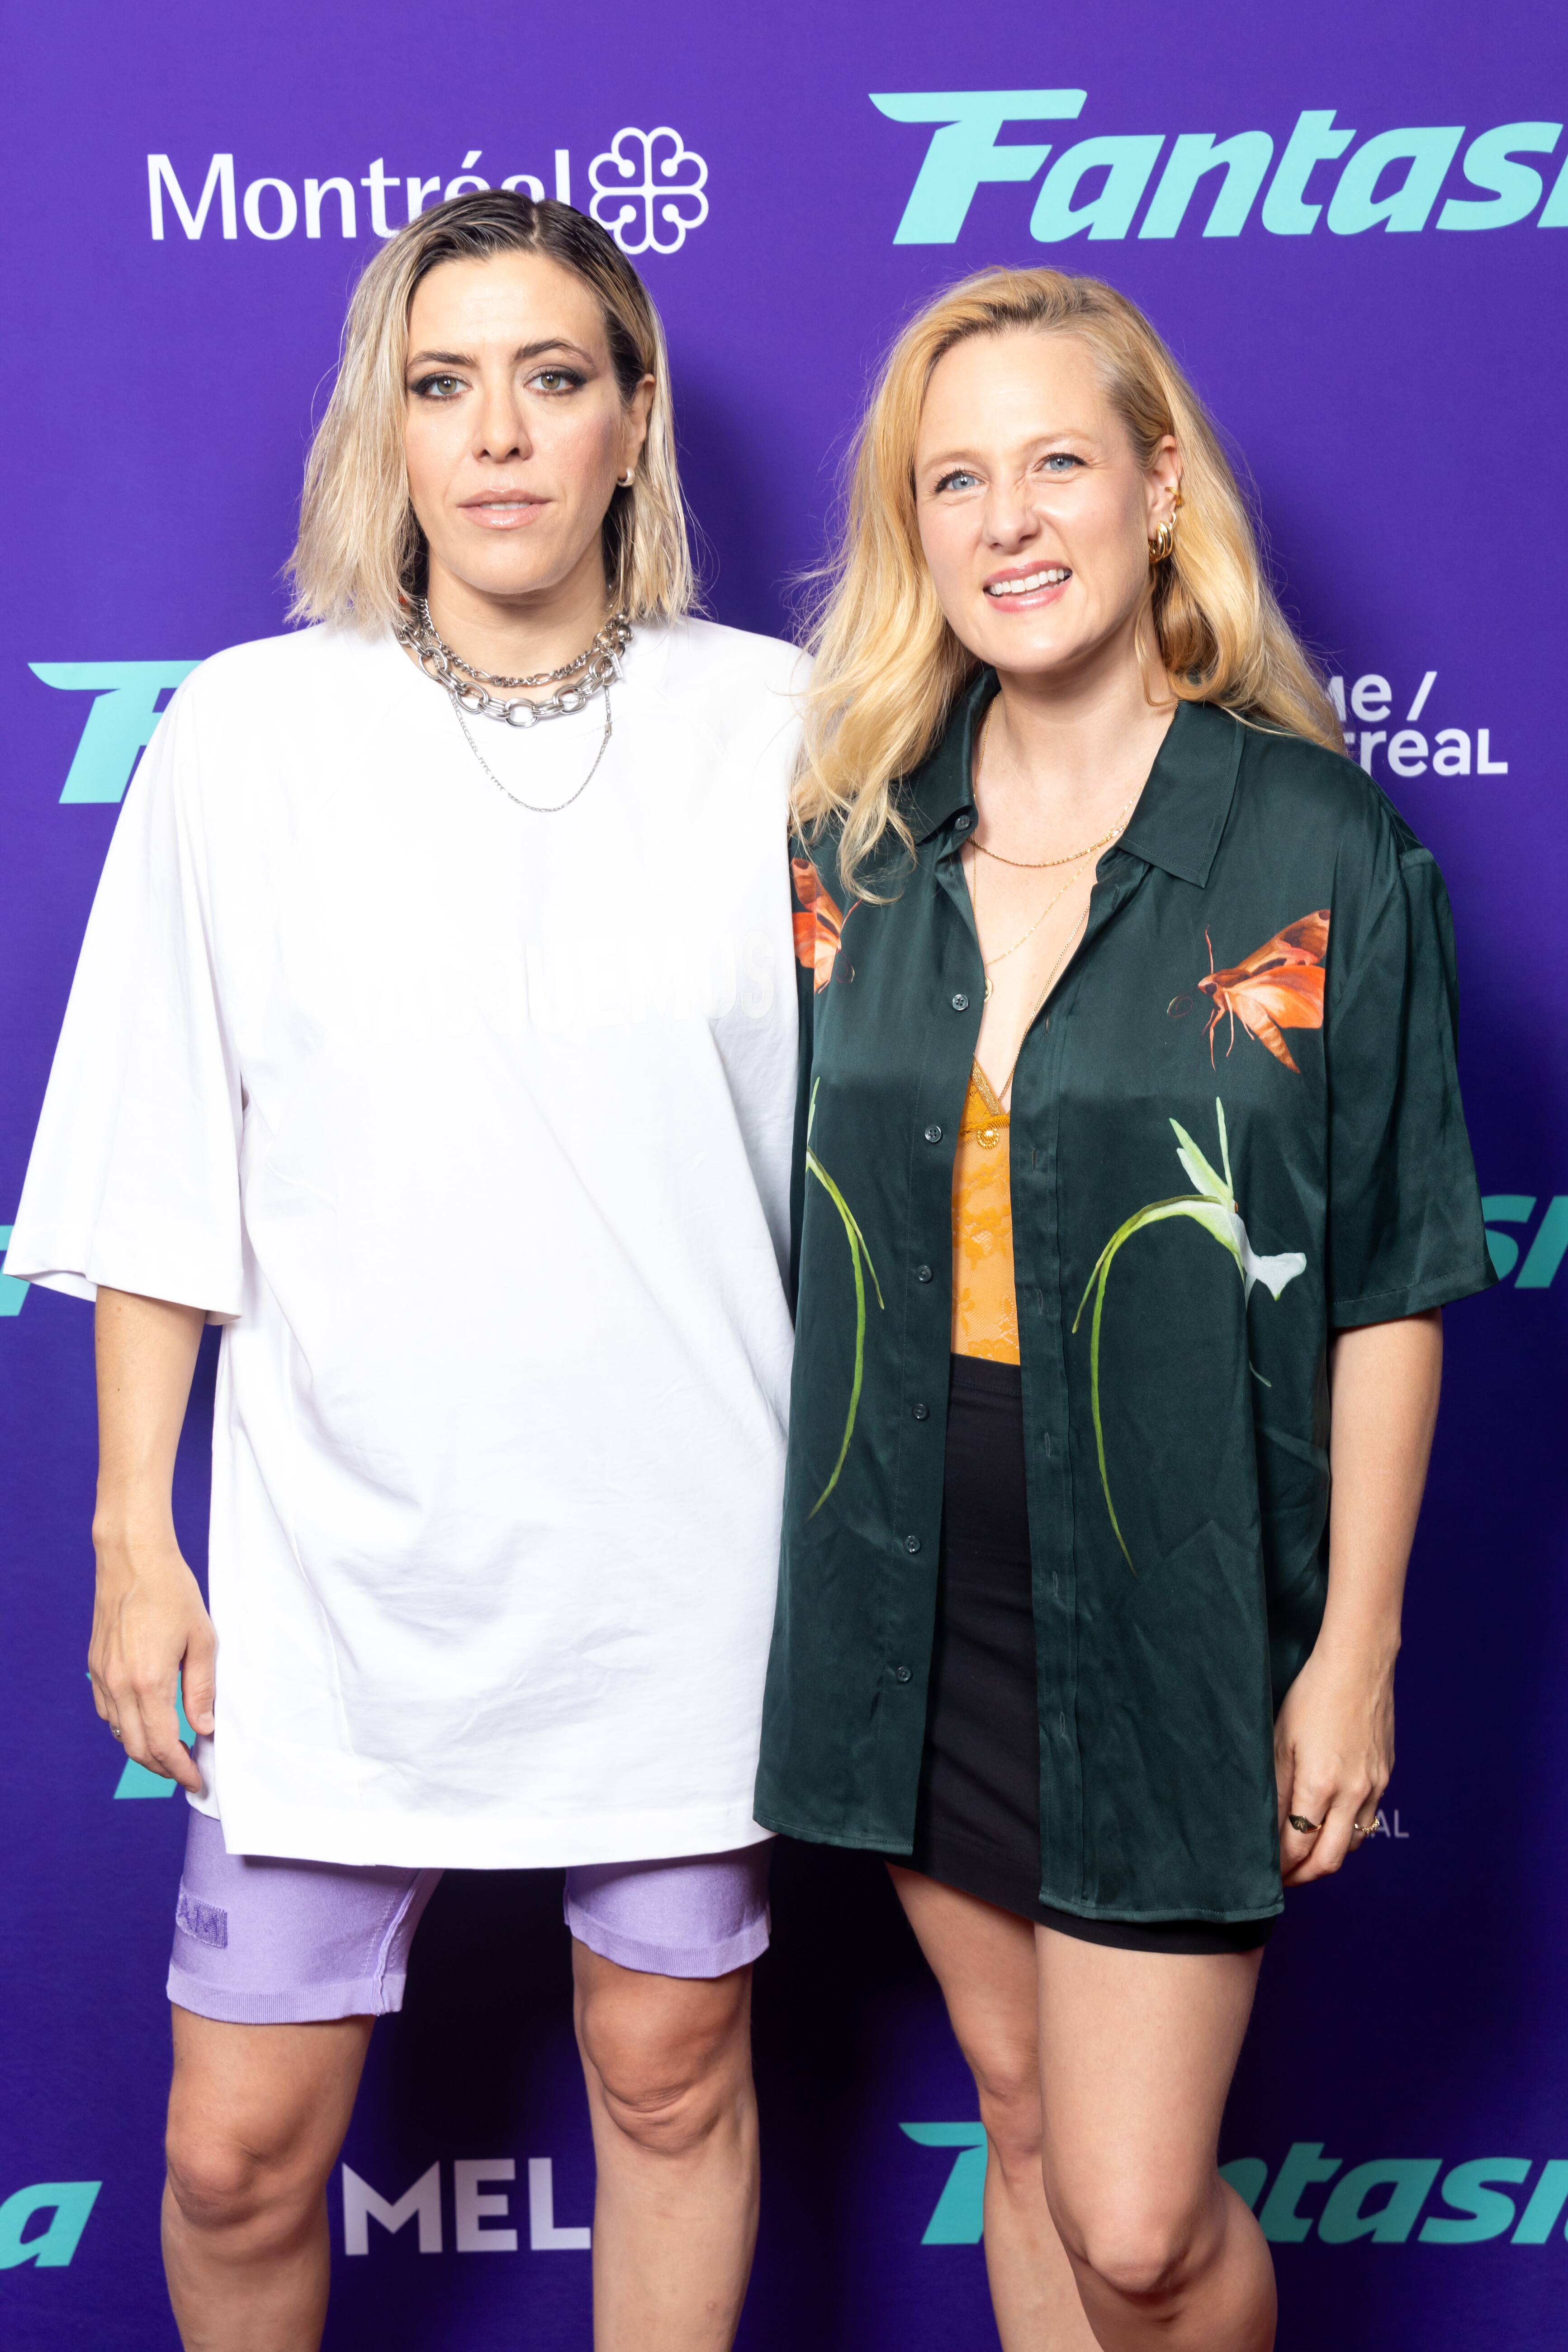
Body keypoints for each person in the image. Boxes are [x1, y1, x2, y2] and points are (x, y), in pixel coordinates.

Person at [6, 191, 804, 2352]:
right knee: (233, 2149)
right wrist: (129, 1533)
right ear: (390, 427)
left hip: (683, 1566)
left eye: (555, 378)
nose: (502, 437)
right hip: (339, 1576)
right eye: (445, 385)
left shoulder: (798, 730)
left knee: (667, 2075)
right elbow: (166, 1157)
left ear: (633, 421)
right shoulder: (250, 739)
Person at [755, 267, 1494, 2352]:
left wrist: (1353, 1647)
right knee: (1020, 2119)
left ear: (1160, 486)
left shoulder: (1319, 839)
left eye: (1058, 462)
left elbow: (1393, 1271)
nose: (1008, 521)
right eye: (955, 478)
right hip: (908, 1575)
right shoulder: (857, 842)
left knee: (1146, 2224)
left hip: (1178, 1582)